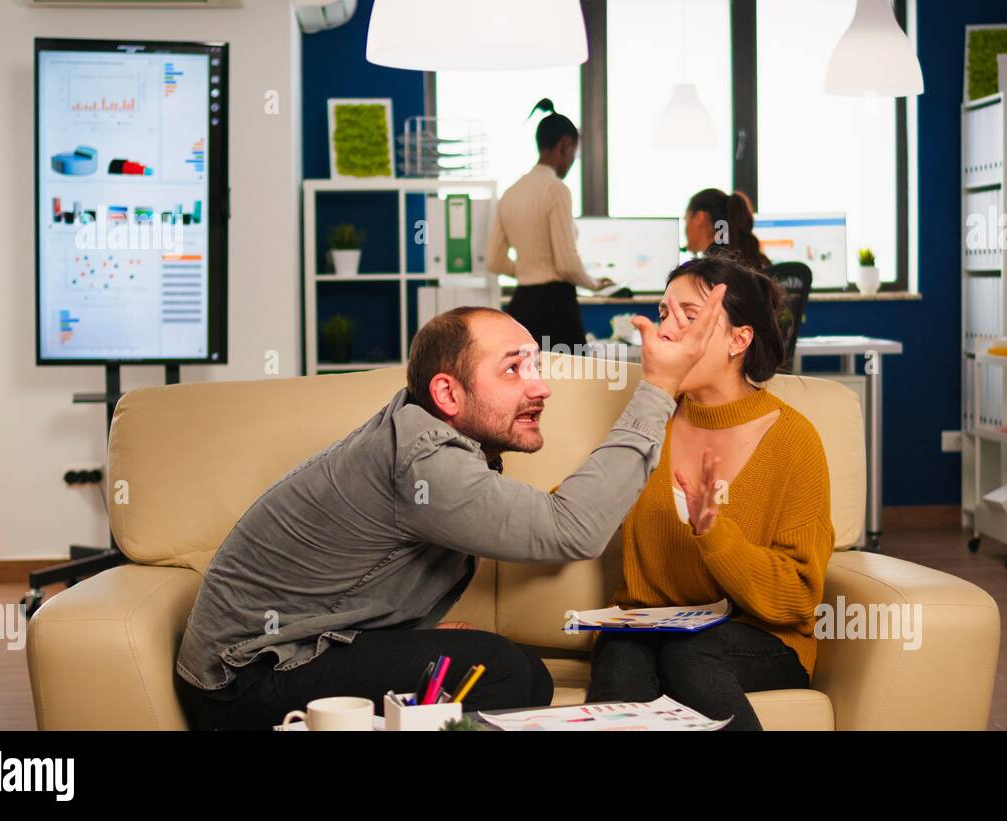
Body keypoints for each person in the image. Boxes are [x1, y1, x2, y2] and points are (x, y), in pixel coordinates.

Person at [173, 285, 728, 730]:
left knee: (513, 673)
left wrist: (411, 633)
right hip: (244, 678)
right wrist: (658, 386)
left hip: (289, 650)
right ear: (447, 394)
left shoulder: (425, 425)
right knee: (508, 675)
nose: (541, 388)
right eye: (514, 370)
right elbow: (572, 530)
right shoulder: (423, 458)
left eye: (536, 367)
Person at [585, 256, 834, 731]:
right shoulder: (648, 422)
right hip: (647, 627)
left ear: (739, 340)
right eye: (663, 315)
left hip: (758, 637)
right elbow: (580, 508)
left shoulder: (793, 440)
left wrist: (715, 533)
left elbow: (798, 599)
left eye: (690, 316)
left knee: (688, 650)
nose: (668, 330)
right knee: (619, 655)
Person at [486, 98, 612, 350]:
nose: (571, 162)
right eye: (573, 154)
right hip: (556, 307)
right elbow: (566, 263)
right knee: (571, 385)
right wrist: (595, 284)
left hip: (521, 306)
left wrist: (527, 268)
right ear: (565, 146)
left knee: (522, 381)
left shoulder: (511, 192)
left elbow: (494, 261)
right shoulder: (556, 190)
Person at [684, 188, 770, 270]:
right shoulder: (746, 259)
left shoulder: (711, 269)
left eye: (686, 220)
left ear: (699, 217)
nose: (685, 229)